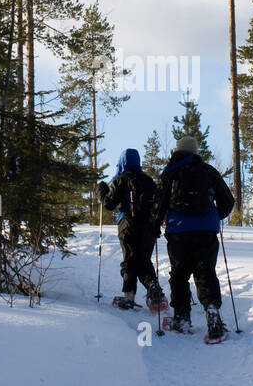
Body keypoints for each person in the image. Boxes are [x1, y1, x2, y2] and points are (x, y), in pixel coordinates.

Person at [152, 135, 235, 341]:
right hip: (206, 230)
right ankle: (213, 314)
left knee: (179, 275)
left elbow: (159, 203)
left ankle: (182, 318)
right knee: (205, 272)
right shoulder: (208, 171)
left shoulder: (170, 172)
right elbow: (228, 201)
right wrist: (215, 216)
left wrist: (155, 225)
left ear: (177, 151)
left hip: (178, 231)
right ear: (196, 152)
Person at [97, 148, 167, 311]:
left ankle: (129, 296)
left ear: (122, 162)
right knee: (143, 260)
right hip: (148, 227)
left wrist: (102, 191)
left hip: (128, 224)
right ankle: (154, 289)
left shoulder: (121, 179)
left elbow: (109, 204)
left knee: (129, 260)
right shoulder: (149, 180)